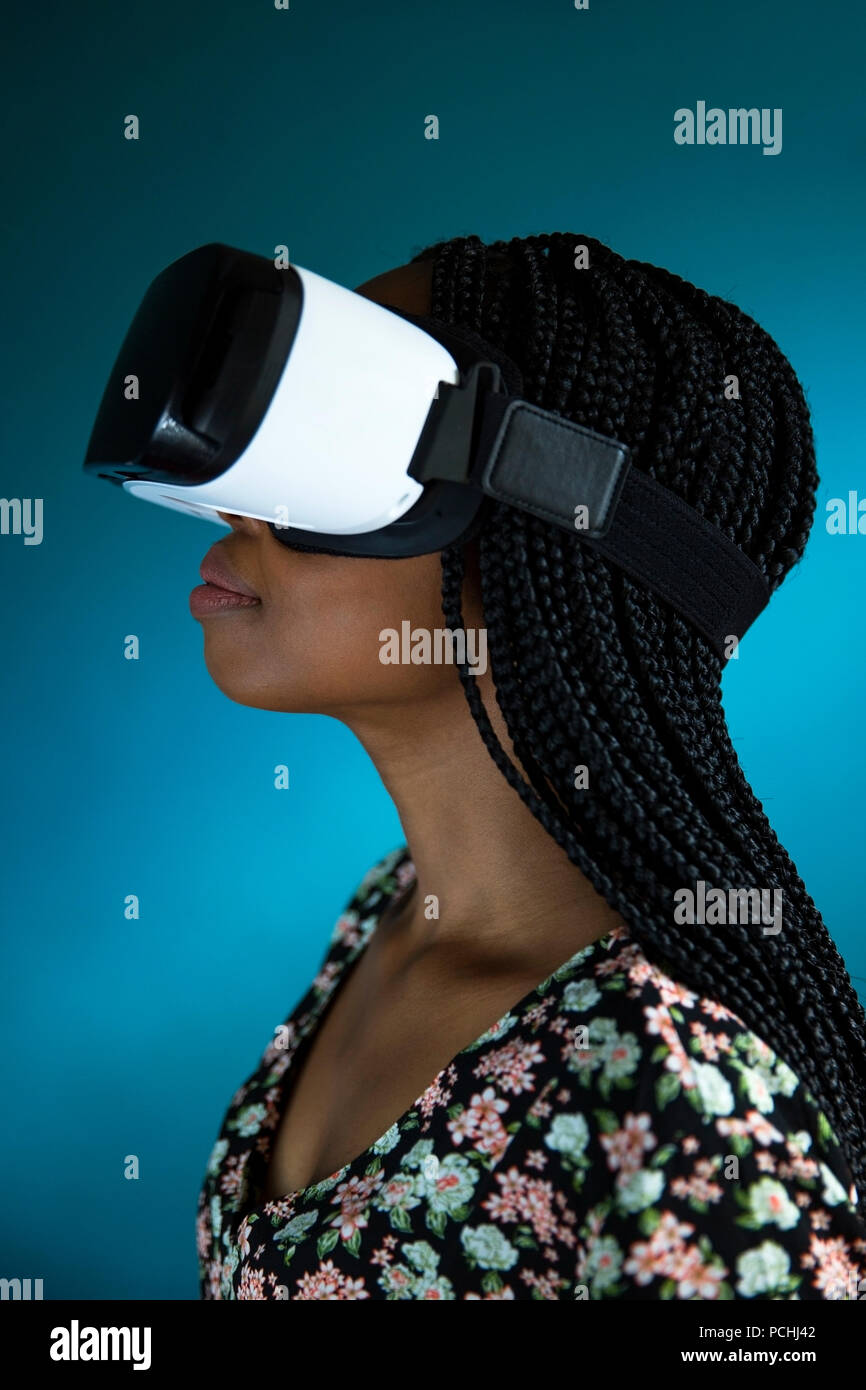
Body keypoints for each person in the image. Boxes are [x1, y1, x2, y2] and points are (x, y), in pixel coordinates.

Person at [195, 231, 866, 1300]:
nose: (240, 502)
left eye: (351, 435)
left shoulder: (666, 1088)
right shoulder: (391, 907)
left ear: (553, 520)